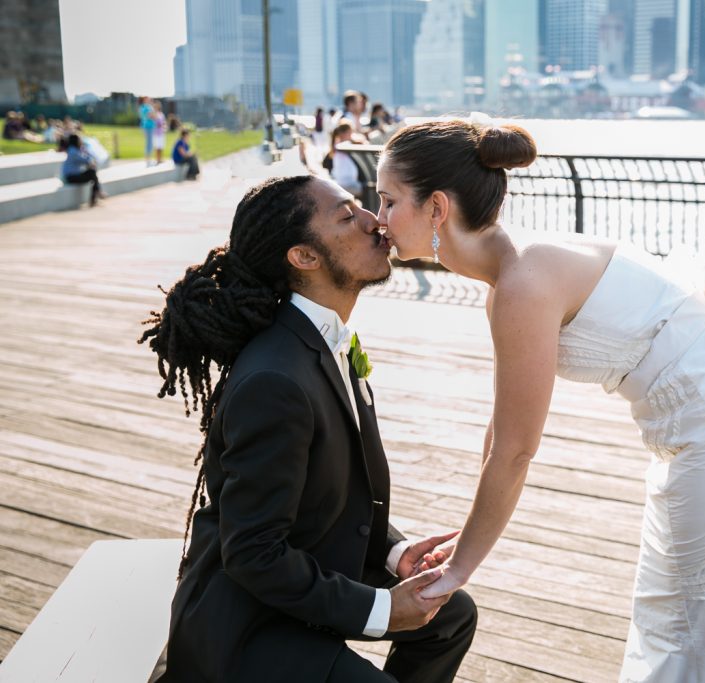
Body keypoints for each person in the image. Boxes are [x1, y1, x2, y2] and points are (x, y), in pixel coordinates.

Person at [374, 120, 705, 682]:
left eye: (388, 201)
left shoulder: (523, 284)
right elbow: (502, 430)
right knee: (691, 613)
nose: (378, 219)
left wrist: (461, 568)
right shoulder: (519, 272)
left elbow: (515, 450)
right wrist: (466, 536)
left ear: (437, 207)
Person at [141, 175, 476, 683]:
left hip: (303, 567)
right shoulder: (276, 381)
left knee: (450, 614)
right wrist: (383, 609)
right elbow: (253, 555)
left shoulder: (325, 340)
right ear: (304, 257)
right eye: (348, 217)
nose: (375, 221)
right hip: (247, 626)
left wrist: (393, 551)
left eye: (365, 208)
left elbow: (328, 494)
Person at [61, 133, 105, 207]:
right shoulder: (73, 151)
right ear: (76, 141)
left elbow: (89, 161)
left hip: (73, 176)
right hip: (71, 177)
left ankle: (96, 195)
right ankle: (96, 195)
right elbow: (87, 160)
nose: (81, 141)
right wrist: (86, 152)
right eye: (80, 139)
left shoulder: (74, 150)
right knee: (92, 172)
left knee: (92, 172)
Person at [326, 121, 364, 197]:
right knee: (368, 188)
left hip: (345, 182)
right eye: (350, 133)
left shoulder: (336, 145)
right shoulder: (342, 145)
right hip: (347, 184)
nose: (351, 135)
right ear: (343, 134)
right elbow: (359, 143)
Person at [139, 96, 155, 165]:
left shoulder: (146, 107)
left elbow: (153, 116)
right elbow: (151, 116)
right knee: (149, 144)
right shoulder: (145, 107)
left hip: (149, 127)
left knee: (149, 143)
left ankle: (148, 159)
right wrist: (153, 115)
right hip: (147, 127)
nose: (149, 100)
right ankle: (148, 160)